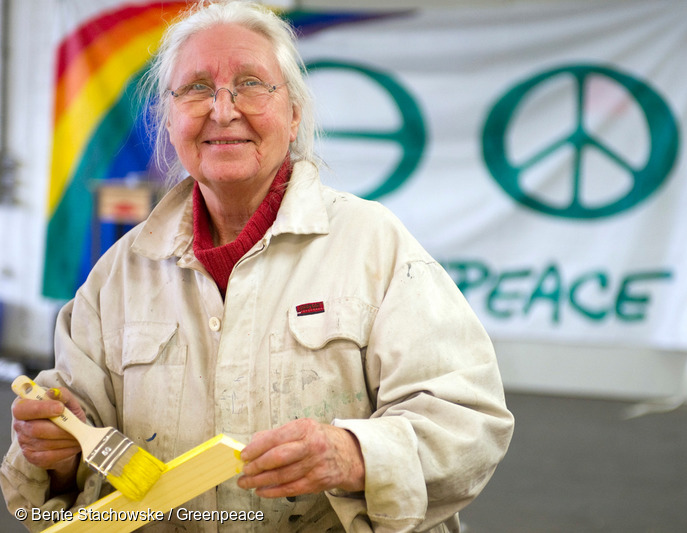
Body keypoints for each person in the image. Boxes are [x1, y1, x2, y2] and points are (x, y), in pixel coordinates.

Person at [1, 1, 514, 531]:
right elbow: (48, 502)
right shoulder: (118, 278)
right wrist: (57, 454)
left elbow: (469, 423)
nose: (223, 111)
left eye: (250, 83)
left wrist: (353, 453)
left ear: (293, 115)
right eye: (197, 88)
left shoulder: (374, 246)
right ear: (170, 119)